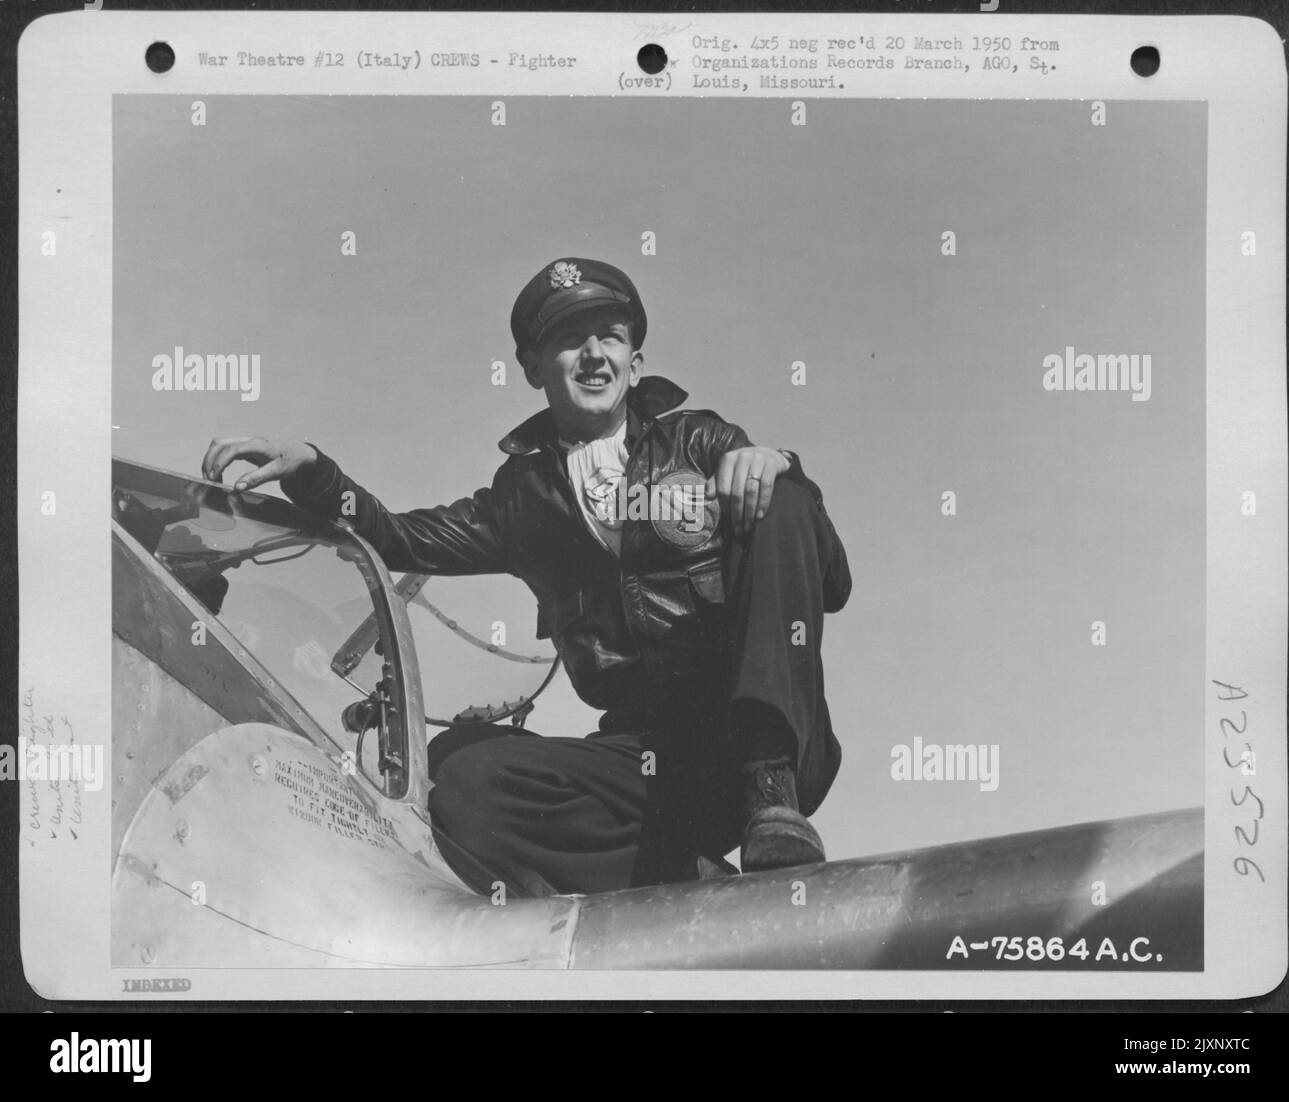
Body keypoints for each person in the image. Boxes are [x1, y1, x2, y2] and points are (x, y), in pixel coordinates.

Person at [201, 257, 851, 895]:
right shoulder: (521, 499)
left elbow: (833, 582)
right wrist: (314, 471)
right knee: (462, 779)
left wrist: (779, 467)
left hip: (764, 738)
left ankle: (771, 791)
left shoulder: (702, 441)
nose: (594, 354)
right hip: (646, 763)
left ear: (636, 363)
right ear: (533, 366)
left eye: (612, 337)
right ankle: (680, 875)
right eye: (570, 339)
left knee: (782, 496)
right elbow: (396, 537)